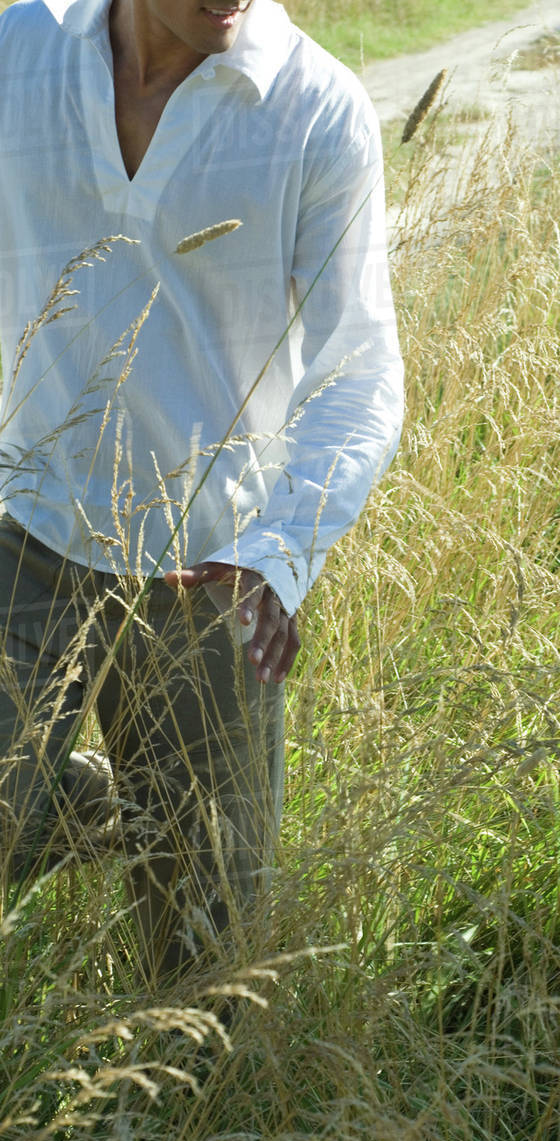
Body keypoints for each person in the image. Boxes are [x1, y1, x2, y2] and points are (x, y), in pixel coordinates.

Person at [0, 0, 403, 986]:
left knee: (204, 950)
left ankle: (184, 1136)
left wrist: (279, 551)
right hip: (24, 537)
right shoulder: (19, 51)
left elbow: (358, 376)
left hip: (208, 568)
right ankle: (83, 798)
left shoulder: (314, 109)